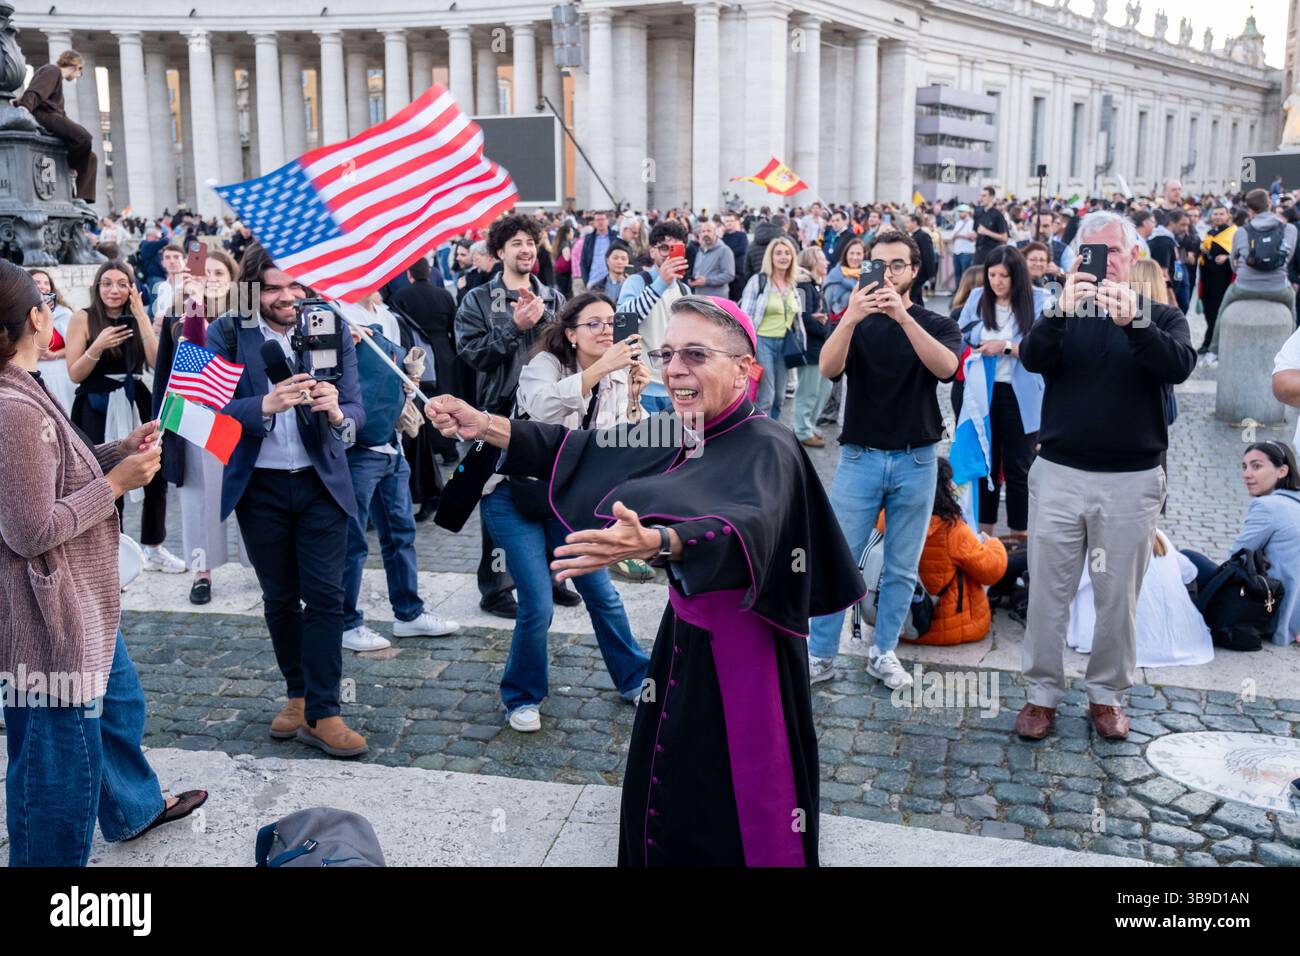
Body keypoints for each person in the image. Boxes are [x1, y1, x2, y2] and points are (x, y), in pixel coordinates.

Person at [425, 294, 864, 866]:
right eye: (667, 353)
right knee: (666, 780)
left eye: (695, 354)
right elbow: (575, 445)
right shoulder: (678, 430)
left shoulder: (769, 444)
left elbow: (746, 528)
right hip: (681, 641)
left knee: (735, 800)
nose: (675, 368)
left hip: (743, 659)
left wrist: (663, 542)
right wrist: (485, 424)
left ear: (744, 368)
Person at [0, 261, 207, 866]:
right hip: (48, 618)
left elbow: (49, 473)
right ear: (36, 319)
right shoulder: (15, 408)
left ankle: (131, 808)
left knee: (119, 703)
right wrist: (115, 483)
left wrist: (114, 452)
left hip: (80, 598)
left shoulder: (25, 385)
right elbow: (30, 528)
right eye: (44, 300)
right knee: (57, 763)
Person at [1016, 211, 1196, 741]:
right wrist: (1059, 312)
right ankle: (1041, 695)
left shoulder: (1161, 316)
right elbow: (1031, 358)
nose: (1101, 262)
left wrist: (1132, 322)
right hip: (1060, 473)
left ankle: (1107, 695)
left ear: (1132, 257)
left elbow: (1178, 365)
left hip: (1131, 480)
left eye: (1111, 252)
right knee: (1048, 590)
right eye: (1090, 252)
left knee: (1118, 597)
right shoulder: (1062, 310)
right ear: (1075, 258)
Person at [208, 241, 370, 758]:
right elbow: (194, 410)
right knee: (280, 598)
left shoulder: (331, 325)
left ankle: (325, 711)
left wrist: (340, 414)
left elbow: (358, 406)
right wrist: (263, 404)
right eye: (274, 287)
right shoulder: (226, 330)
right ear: (253, 289)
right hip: (260, 486)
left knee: (325, 597)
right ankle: (297, 694)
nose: (287, 296)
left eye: (295, 285)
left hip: (322, 482)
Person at [481, 292, 654, 731]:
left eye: (611, 322)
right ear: (571, 333)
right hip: (515, 496)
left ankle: (635, 679)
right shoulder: (544, 366)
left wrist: (635, 395)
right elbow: (542, 411)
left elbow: (622, 447)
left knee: (602, 593)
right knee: (538, 604)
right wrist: (600, 371)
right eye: (594, 323)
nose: (606, 331)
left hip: (568, 502)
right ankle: (521, 696)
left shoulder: (619, 376)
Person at [807, 230, 962, 688]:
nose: (889, 273)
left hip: (917, 459)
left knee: (901, 564)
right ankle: (820, 653)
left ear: (914, 271)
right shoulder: (855, 320)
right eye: (879, 264)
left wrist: (904, 318)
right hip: (860, 458)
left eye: (897, 265)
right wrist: (851, 318)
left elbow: (947, 369)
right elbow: (828, 368)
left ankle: (884, 651)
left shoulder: (934, 323)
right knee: (839, 557)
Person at [456, 214, 574, 619]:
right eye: (517, 243)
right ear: (500, 252)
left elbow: (569, 352)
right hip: (497, 415)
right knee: (498, 502)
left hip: (547, 413)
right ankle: (496, 589)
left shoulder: (554, 298)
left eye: (531, 242)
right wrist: (513, 325)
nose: (526, 249)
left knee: (552, 495)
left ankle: (553, 577)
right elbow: (471, 354)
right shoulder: (477, 299)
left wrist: (546, 323)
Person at [334, 290, 460, 652]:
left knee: (400, 533)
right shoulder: (338, 311)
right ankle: (346, 621)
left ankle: (408, 613)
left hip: (392, 443)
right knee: (353, 541)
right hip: (358, 447)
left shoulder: (389, 314)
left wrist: (408, 382)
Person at [65, 261, 187, 574]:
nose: (114, 290)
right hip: (96, 404)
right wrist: (98, 345)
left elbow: (154, 361)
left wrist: (143, 317)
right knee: (102, 475)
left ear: (132, 287)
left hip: (136, 400)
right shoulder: (83, 318)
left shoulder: (138, 316)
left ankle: (155, 547)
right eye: (107, 283)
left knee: (155, 474)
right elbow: (75, 373)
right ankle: (109, 554)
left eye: (122, 283)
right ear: (97, 286)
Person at [151, 249, 247, 605]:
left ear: (232, 279)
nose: (211, 278)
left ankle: (263, 565)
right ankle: (202, 570)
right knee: (197, 498)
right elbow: (166, 371)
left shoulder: (245, 318)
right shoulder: (182, 316)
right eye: (204, 272)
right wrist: (159, 423)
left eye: (219, 272)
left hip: (240, 414)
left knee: (252, 493)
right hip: (193, 417)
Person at [957, 244, 1047, 539]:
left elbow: (1043, 347)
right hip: (984, 390)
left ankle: (1019, 535)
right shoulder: (977, 297)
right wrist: (983, 335)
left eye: (1003, 276)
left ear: (1017, 277)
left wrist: (1006, 346)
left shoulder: (1040, 299)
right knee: (986, 464)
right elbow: (962, 331)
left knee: (1018, 468)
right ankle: (985, 533)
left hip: (1022, 394)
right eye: (992, 274)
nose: (996, 281)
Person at [882, 457, 1007, 650]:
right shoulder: (951, 528)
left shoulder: (887, 517)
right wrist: (994, 544)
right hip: (948, 627)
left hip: (894, 625)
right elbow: (991, 571)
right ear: (945, 487)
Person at [1183, 443, 1300, 647]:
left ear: (1282, 471)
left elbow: (1234, 561)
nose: (1247, 474)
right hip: (1294, 619)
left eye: (1256, 466)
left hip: (1268, 609)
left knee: (1186, 559)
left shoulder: (1268, 506)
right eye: (1244, 467)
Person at [1070, 530, 1213, 667]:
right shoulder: (1157, 535)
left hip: (1125, 640)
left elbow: (1087, 579)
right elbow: (1189, 572)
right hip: (1180, 639)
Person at [1207, 188, 1299, 362]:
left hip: (1245, 287)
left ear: (1250, 210)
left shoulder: (1241, 232)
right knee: (1292, 308)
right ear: (1269, 204)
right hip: (1278, 288)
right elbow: (1288, 257)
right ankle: (1292, 353)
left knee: (1223, 307)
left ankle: (1213, 351)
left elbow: (1233, 263)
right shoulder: (1290, 229)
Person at [616, 220, 692, 415]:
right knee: (645, 442)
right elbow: (623, 322)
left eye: (676, 248)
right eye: (664, 248)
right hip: (643, 387)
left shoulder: (685, 290)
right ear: (653, 252)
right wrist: (660, 284)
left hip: (675, 386)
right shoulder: (638, 281)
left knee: (674, 443)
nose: (669, 254)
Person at [393, 255, 461, 471]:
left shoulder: (401, 296)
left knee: (424, 403)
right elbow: (454, 326)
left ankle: (429, 448)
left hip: (417, 354)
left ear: (409, 274)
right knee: (447, 401)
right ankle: (450, 447)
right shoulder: (444, 296)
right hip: (444, 352)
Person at [16, 50, 96, 205]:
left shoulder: (57, 78)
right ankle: (68, 166)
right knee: (84, 137)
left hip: (55, 117)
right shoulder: (52, 70)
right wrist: (24, 108)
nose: (79, 75)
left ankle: (80, 198)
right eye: (81, 71)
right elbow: (36, 91)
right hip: (44, 115)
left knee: (91, 157)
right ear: (75, 66)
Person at [739, 235, 801, 421]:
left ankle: (774, 434)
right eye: (778, 253)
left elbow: (797, 316)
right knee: (767, 396)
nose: (783, 257)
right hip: (763, 343)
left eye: (787, 253)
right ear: (771, 257)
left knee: (780, 397)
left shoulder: (792, 284)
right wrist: (749, 349)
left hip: (785, 344)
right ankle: (761, 437)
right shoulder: (758, 282)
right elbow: (745, 318)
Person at [792, 247, 831, 447]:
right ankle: (802, 430)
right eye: (823, 258)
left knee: (825, 387)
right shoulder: (803, 285)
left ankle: (809, 424)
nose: (827, 262)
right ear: (812, 262)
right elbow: (801, 318)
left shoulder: (815, 285)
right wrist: (823, 327)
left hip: (820, 345)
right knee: (808, 391)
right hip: (809, 346)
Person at [28, 268, 76, 410]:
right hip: (33, 374)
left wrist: (54, 354)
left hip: (60, 374)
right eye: (37, 282)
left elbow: (76, 347)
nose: (43, 286)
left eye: (46, 283)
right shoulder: (19, 313)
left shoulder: (63, 313)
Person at [1197, 205, 1236, 362]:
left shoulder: (1233, 232)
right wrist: (1203, 250)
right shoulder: (1210, 233)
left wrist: (1227, 258)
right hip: (1208, 278)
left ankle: (1211, 343)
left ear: (1228, 215)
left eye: (1221, 214)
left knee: (1219, 310)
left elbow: (1239, 252)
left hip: (1224, 279)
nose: (1218, 216)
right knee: (1209, 311)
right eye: (1215, 214)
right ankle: (1210, 339)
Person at [688, 219, 736, 298]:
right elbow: (697, 273)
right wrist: (694, 281)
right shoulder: (700, 251)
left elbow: (729, 275)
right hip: (699, 298)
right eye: (703, 231)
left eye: (709, 231)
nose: (705, 233)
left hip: (717, 300)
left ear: (715, 233)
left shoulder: (724, 250)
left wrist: (707, 281)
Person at [973, 186, 1009, 266]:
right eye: (980, 195)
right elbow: (976, 232)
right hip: (978, 253)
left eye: (984, 196)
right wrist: (972, 236)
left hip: (992, 254)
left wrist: (987, 232)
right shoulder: (978, 212)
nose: (981, 198)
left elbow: (1004, 237)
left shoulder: (998, 215)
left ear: (991, 197)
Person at [579, 210, 614, 289]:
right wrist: (586, 281)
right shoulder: (589, 238)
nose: (600, 222)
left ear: (607, 221)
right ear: (594, 222)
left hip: (611, 282)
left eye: (602, 219)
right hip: (593, 281)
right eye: (597, 220)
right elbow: (583, 261)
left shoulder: (614, 237)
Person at [721, 212, 750, 301]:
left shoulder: (741, 235)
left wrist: (727, 253)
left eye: (731, 221)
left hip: (739, 274)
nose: (729, 223)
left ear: (736, 222)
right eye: (727, 221)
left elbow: (742, 249)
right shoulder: (723, 237)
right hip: (725, 273)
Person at [950, 204, 976, 288]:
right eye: (959, 212)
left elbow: (972, 237)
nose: (960, 214)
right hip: (957, 251)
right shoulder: (958, 223)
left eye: (962, 212)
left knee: (965, 274)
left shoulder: (972, 222)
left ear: (967, 212)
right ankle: (958, 291)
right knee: (957, 274)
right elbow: (953, 235)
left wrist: (959, 236)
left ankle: (965, 292)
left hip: (967, 252)